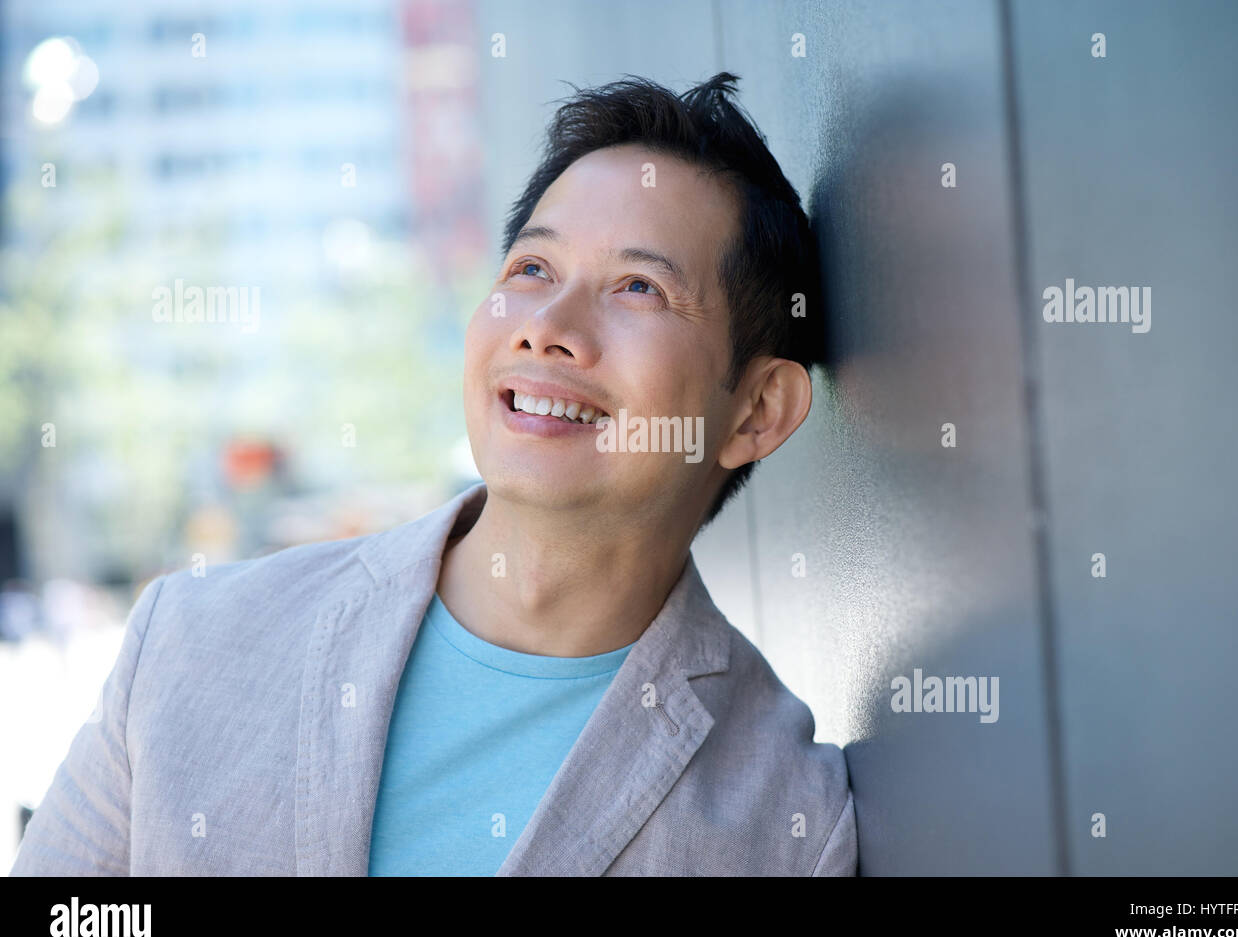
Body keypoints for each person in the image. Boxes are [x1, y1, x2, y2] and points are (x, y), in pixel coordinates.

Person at [10, 72, 856, 876]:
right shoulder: (190, 646)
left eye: (637, 287)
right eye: (531, 269)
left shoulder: (788, 821)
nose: (546, 328)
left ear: (755, 412)